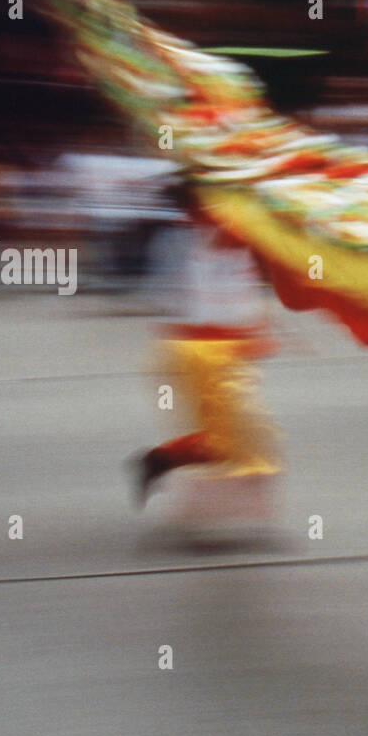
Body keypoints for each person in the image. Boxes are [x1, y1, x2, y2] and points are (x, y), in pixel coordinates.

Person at [132, 189, 282, 526]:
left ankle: (162, 462)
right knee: (245, 440)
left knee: (228, 439)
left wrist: (257, 331)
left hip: (207, 349)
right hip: (201, 351)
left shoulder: (209, 235)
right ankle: (201, 514)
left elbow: (239, 287)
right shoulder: (202, 236)